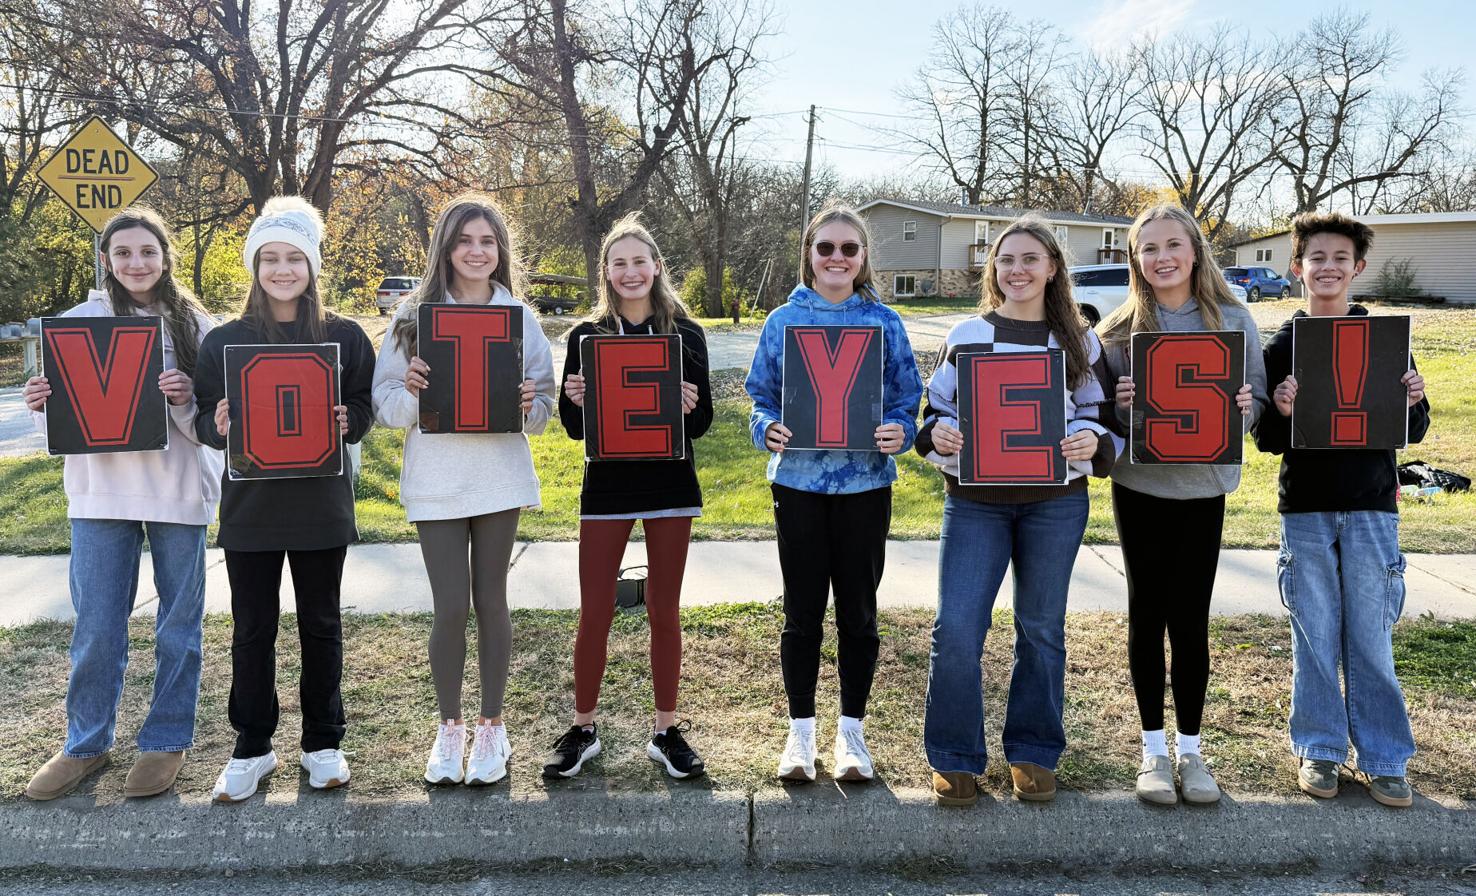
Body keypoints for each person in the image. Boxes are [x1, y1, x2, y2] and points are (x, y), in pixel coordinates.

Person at [915, 217, 1123, 807]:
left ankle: (1033, 749)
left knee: (1040, 628)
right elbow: (934, 414)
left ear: (1053, 267)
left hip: (1054, 504)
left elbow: (1099, 416)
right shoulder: (968, 333)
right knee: (957, 628)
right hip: (975, 504)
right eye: (1007, 260)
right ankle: (954, 755)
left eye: (1031, 259)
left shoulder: (1079, 340)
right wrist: (943, 437)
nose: (1018, 270)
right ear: (994, 269)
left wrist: (1090, 441)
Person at [22, 208, 221, 801]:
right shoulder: (78, 323)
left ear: (166, 257)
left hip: (177, 492)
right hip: (99, 495)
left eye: (148, 252)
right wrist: (41, 404)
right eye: (124, 253)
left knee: (177, 627)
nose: (137, 263)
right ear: (106, 260)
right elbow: (59, 430)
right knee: (98, 626)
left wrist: (185, 399)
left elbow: (215, 428)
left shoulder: (195, 325)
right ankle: (86, 743)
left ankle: (166, 739)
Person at [192, 196, 375, 802]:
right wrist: (215, 422)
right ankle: (252, 746)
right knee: (252, 629)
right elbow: (199, 421)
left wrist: (350, 420)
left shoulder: (344, 335)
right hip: (251, 509)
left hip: (321, 503)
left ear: (312, 265)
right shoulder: (224, 340)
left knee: (321, 625)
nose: (281, 269)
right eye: (269, 258)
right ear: (254, 266)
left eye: (293, 258)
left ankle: (324, 741)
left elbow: (365, 412)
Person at [372, 194, 555, 786]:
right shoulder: (412, 318)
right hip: (437, 482)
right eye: (464, 241)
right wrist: (418, 392)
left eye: (488, 241)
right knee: (450, 606)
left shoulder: (520, 318)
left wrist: (530, 404)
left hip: (498, 478)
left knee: (491, 600)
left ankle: (491, 727)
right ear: (445, 249)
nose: (476, 252)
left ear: (500, 251)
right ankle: (449, 727)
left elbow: (543, 407)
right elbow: (386, 407)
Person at [1251, 211, 1428, 808]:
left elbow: (1412, 431)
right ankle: (1321, 749)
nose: (1328, 268)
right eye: (1316, 259)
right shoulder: (1283, 344)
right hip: (1305, 506)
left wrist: (1414, 400)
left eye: (1340, 259)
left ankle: (1384, 758)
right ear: (1297, 268)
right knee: (1315, 633)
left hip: (1372, 505)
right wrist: (1278, 406)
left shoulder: (1385, 338)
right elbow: (1267, 441)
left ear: (1358, 267)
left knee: (1372, 637)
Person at [744, 203, 923, 783]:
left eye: (849, 249)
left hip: (865, 485)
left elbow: (905, 401)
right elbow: (760, 398)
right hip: (797, 485)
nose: (837, 258)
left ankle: (853, 734)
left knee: (859, 614)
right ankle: (800, 735)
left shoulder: (886, 323)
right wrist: (764, 428)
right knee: (801, 616)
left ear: (864, 257)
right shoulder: (782, 322)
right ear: (810, 255)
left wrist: (902, 431)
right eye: (826, 248)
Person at [1096, 203, 1267, 806]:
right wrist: (1119, 404)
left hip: (1203, 488)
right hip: (1140, 487)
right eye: (1149, 248)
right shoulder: (1117, 332)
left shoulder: (1234, 321)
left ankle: (1191, 751)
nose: (1162, 257)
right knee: (1146, 614)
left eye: (1174, 244)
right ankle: (1150, 750)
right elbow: (1101, 421)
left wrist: (1246, 407)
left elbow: (1262, 407)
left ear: (1196, 250)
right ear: (1136, 259)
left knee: (1191, 620)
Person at [546, 213, 712, 780]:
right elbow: (573, 426)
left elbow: (705, 420)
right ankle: (584, 727)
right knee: (595, 611)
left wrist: (689, 404)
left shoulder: (686, 334)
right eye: (619, 263)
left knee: (663, 610)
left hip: (669, 486)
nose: (631, 271)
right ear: (607, 273)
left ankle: (666, 730)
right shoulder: (586, 336)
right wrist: (573, 396)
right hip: (607, 488)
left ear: (657, 267)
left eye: (640, 260)